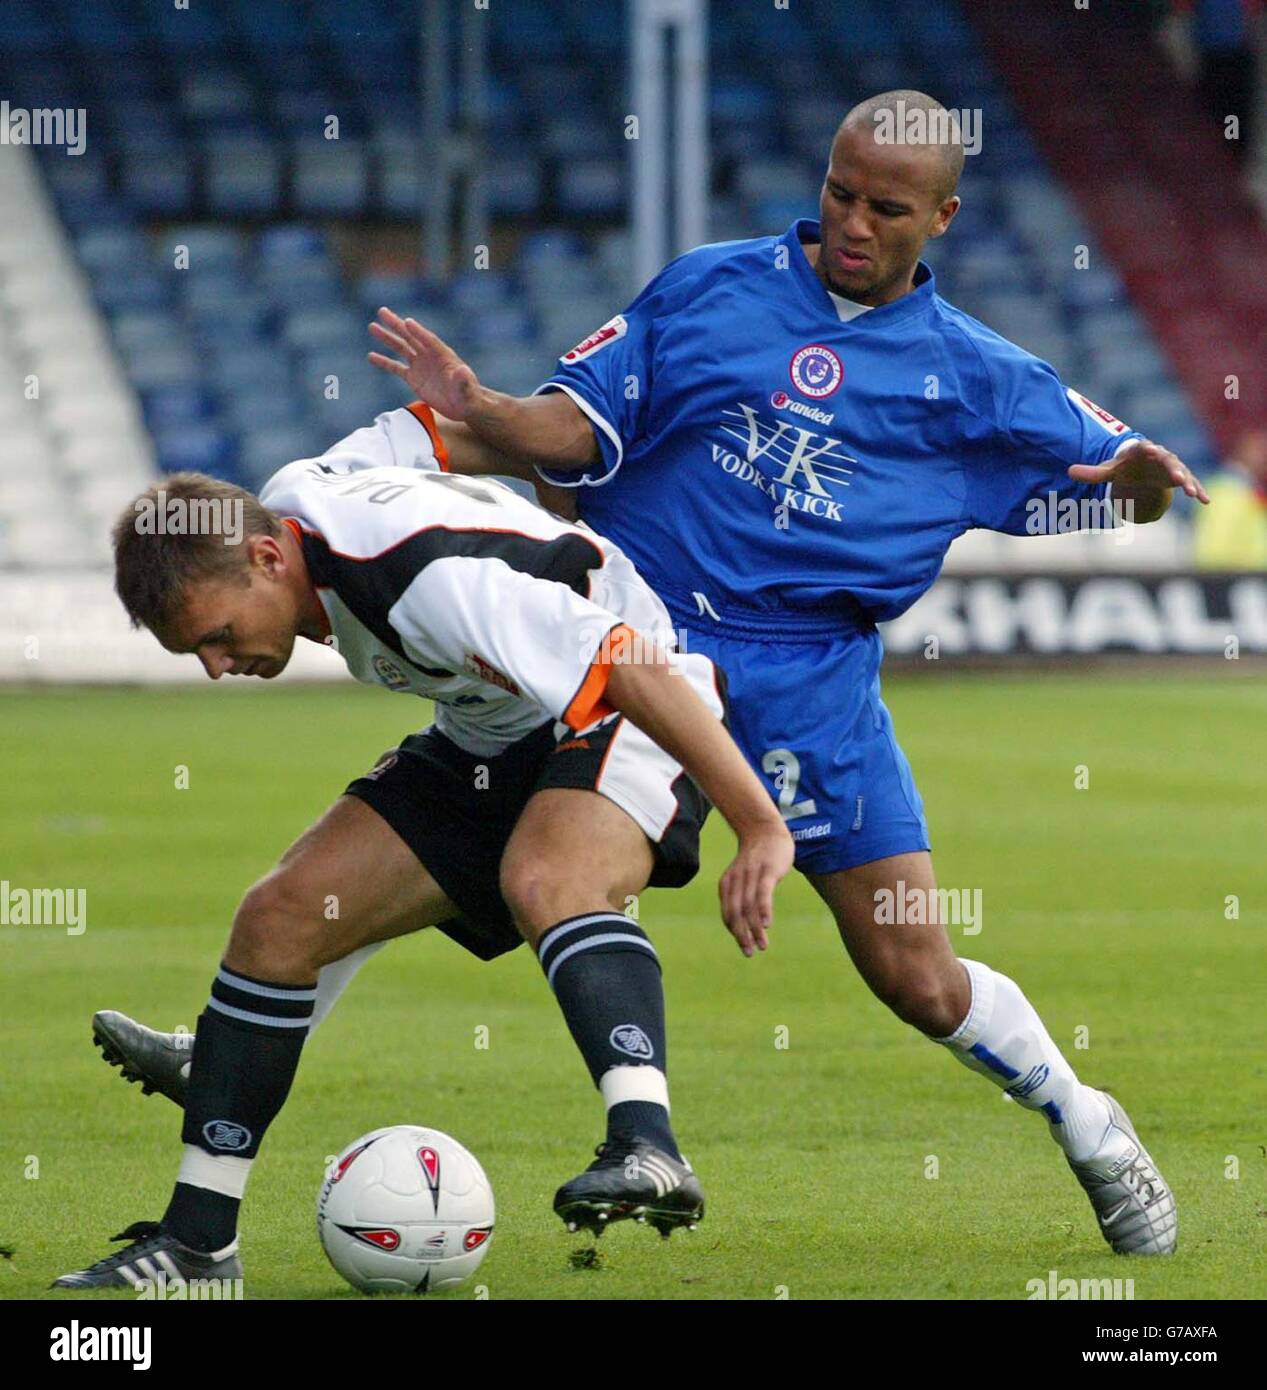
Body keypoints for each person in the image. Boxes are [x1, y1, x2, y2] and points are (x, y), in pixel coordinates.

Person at [360, 91, 1209, 1257]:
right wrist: (492, 413)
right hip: (638, 638)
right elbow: (579, 427)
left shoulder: (977, 375)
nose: (853, 223)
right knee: (499, 845)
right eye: (839, 192)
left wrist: (1141, 481)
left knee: (914, 971)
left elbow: (1108, 474)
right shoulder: (710, 286)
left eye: (887, 208)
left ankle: (1089, 1122)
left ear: (944, 218)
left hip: (812, 683)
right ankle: (282, 1017)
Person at [53, 402, 793, 1289]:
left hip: (633, 701)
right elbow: (420, 436)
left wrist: (757, 825)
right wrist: (485, 411)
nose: (217, 666)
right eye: (195, 655)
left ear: (264, 557)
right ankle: (199, 1242)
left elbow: (629, 660)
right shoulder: (299, 496)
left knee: (548, 878)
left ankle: (648, 1145)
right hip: (490, 728)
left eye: (216, 636)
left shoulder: (421, 583)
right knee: (279, 918)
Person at [1193, 428, 1267, 567]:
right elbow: (1215, 547)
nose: (1264, 457)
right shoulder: (1226, 490)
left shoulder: (1248, 489)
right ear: (1242, 450)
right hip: (1234, 579)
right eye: (1259, 450)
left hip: (1253, 578)